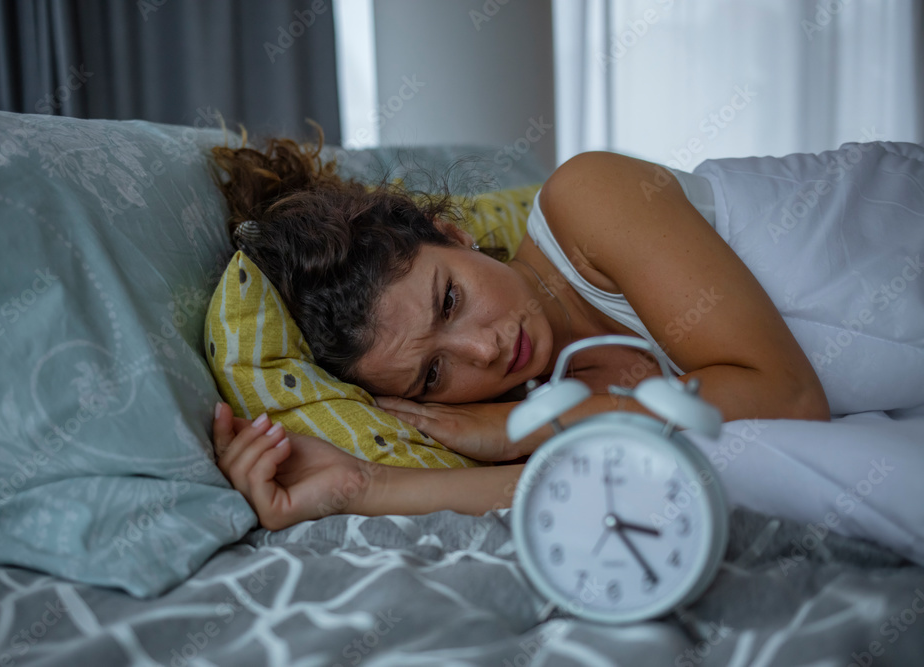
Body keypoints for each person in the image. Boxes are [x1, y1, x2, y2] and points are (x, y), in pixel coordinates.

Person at [208, 127, 924, 531]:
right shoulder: (541, 397)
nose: (483, 351)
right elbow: (551, 488)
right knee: (702, 456)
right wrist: (360, 484)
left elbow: (791, 396)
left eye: (450, 301)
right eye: (433, 374)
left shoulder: (585, 200)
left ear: (454, 234)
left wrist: (544, 428)